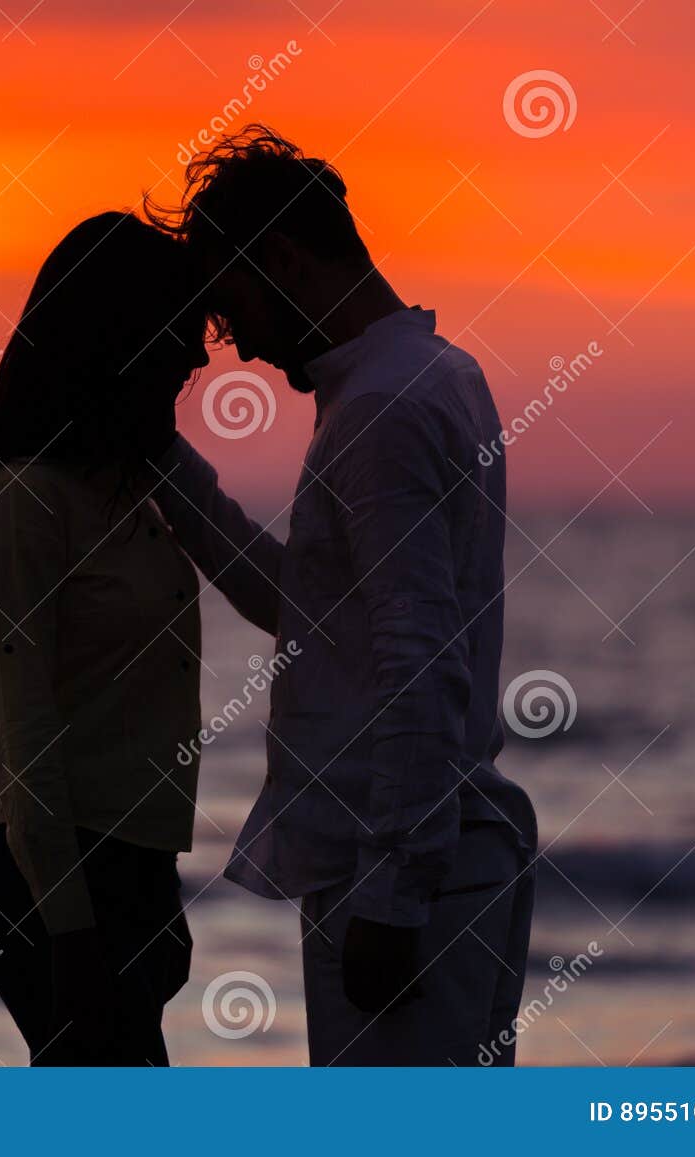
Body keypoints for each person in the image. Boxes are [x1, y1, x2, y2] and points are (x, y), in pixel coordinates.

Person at [144, 127, 539, 1065]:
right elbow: (324, 616)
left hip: (408, 878)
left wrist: (393, 897)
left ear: (283, 258)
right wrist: (164, 468)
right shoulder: (434, 376)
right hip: (444, 860)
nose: (235, 347)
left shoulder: (383, 411)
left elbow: (419, 660)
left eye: (233, 307)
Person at [0, 212, 211, 1065]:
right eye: (183, 334)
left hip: (125, 868)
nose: (199, 359)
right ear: (121, 338)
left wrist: (157, 889)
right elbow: (27, 738)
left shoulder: (128, 487)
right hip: (48, 880)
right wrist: (74, 931)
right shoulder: (25, 501)